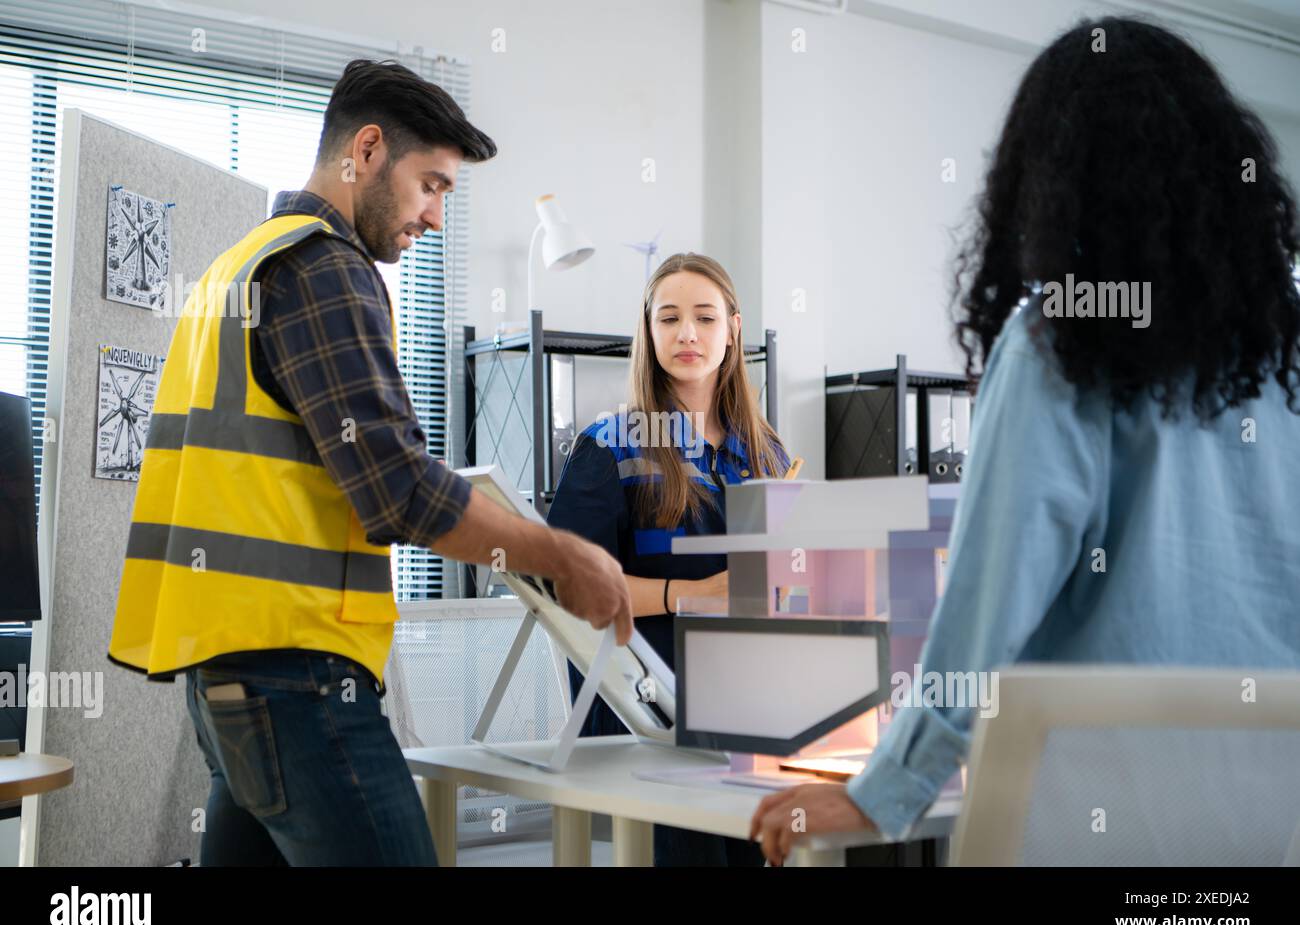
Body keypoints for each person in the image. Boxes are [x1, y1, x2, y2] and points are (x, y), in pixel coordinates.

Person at [751, 16, 1300, 864]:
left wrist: (884, 793)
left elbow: (989, 603)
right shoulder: (1284, 342)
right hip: (1276, 814)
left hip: (1113, 819)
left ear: (1049, 180)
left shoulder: (1065, 335)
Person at [109, 59, 632, 866]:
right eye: (431, 185)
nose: (433, 216)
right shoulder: (323, 269)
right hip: (300, 680)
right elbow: (398, 492)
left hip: (226, 679)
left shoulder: (235, 268)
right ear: (367, 149)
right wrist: (565, 555)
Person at [547, 252, 789, 866]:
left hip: (750, 714)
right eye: (669, 318)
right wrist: (688, 593)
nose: (687, 334)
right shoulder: (609, 446)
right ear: (647, 330)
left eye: (705, 318)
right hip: (648, 719)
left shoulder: (765, 454)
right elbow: (565, 589)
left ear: (734, 329)